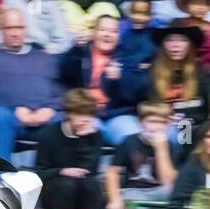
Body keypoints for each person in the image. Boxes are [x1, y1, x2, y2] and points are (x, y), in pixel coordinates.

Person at [0, 8, 62, 162]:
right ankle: (0, 178)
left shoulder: (44, 58)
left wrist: (50, 109)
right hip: (10, 117)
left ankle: (60, 179)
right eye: (9, 28)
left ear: (25, 29)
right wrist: (16, 108)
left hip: (46, 119)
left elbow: (61, 89)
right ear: (0, 29)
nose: (15, 33)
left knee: (67, 119)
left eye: (19, 28)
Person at [56, 13, 148, 146]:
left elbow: (136, 95)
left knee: (134, 140)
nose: (107, 34)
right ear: (93, 33)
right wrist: (75, 50)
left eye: (113, 31)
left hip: (118, 116)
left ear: (118, 36)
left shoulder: (128, 57)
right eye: (103, 29)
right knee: (79, 135)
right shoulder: (80, 53)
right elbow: (65, 75)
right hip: (84, 112)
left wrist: (120, 79)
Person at [30, 87, 103, 209]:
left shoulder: (94, 135)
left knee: (90, 184)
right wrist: (63, 171)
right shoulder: (49, 134)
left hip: (83, 184)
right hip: (55, 184)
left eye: (89, 114)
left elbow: (90, 170)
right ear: (69, 113)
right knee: (68, 184)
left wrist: (85, 140)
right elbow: (41, 172)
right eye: (80, 113)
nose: (85, 119)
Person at [105, 100, 179, 209]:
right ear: (140, 122)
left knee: (179, 199)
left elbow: (167, 182)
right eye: (152, 121)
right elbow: (112, 173)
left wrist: (161, 148)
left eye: (162, 122)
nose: (157, 127)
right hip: (134, 190)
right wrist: (114, 199)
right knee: (138, 208)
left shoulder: (170, 144)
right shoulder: (129, 141)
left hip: (160, 190)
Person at [148, 22, 208, 135]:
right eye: (169, 40)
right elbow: (147, 107)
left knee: (186, 132)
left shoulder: (202, 72)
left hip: (194, 128)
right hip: (162, 128)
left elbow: (207, 110)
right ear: (163, 45)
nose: (175, 45)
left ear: (190, 45)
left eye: (182, 40)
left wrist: (186, 122)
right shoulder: (151, 73)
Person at [2, 0, 73, 55]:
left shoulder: (51, 4)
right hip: (13, 51)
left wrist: (41, 56)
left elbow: (63, 41)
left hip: (43, 53)